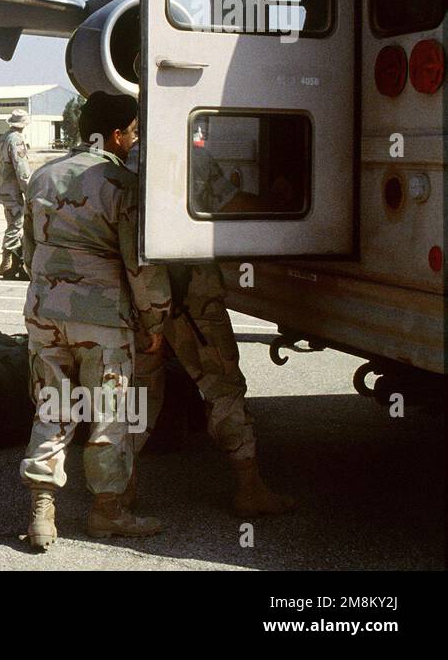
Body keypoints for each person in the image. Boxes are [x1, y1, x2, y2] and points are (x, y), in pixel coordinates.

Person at [19, 92, 172, 551]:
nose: (134, 141)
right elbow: (139, 266)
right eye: (133, 132)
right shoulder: (121, 184)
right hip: (101, 319)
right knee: (110, 414)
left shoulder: (42, 177)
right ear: (116, 134)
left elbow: (29, 250)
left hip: (45, 311)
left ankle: (42, 512)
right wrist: (155, 321)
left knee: (53, 405)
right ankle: (109, 514)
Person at [125, 144, 297, 517]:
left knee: (138, 391)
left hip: (138, 292)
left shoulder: (124, 158)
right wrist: (277, 202)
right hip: (191, 294)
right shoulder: (186, 153)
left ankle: (120, 492)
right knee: (222, 385)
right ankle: (249, 489)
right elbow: (230, 204)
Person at [0, 109, 32, 280]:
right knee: (17, 224)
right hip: (14, 189)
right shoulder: (17, 140)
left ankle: (12, 260)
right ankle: (8, 261)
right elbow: (22, 169)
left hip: (5, 186)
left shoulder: (4, 138)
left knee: (14, 221)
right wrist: (29, 189)